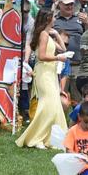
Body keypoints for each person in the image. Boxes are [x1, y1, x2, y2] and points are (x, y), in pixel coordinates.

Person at [16, 11, 69, 149]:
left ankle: (51, 138)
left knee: (54, 105)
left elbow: (63, 48)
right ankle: (36, 138)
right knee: (48, 105)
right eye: (53, 17)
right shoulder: (43, 35)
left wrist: (57, 34)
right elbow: (41, 56)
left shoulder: (47, 35)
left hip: (50, 73)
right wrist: (57, 58)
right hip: (44, 72)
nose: (55, 19)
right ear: (48, 19)